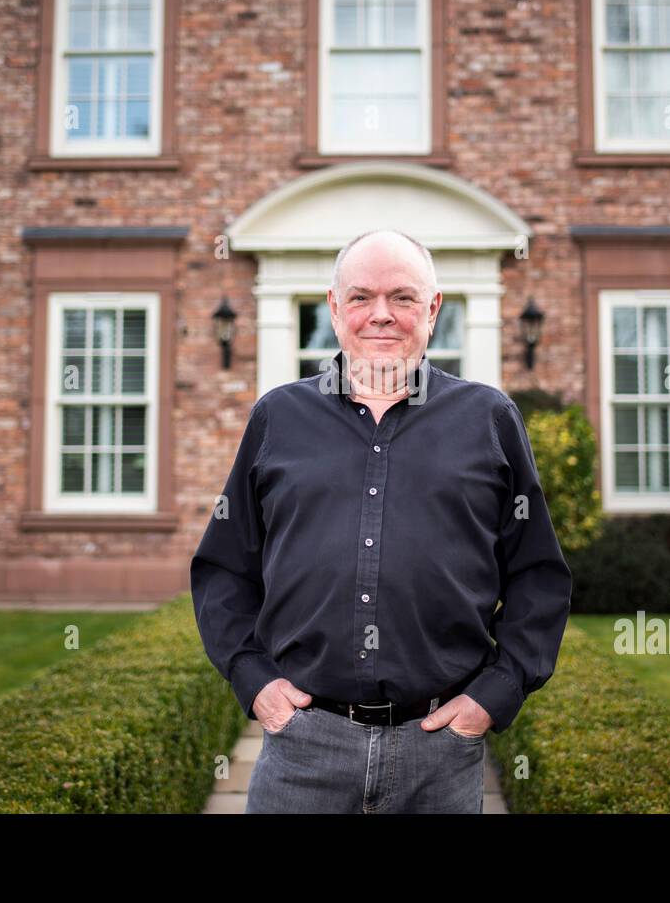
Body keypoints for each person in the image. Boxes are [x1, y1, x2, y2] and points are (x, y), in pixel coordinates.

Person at [190, 228, 573, 813]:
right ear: (336, 308)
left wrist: (493, 696)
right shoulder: (278, 418)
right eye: (363, 297)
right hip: (303, 751)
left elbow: (538, 576)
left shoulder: (489, 419)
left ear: (433, 309)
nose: (382, 316)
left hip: (439, 754)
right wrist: (255, 681)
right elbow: (223, 568)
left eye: (402, 297)